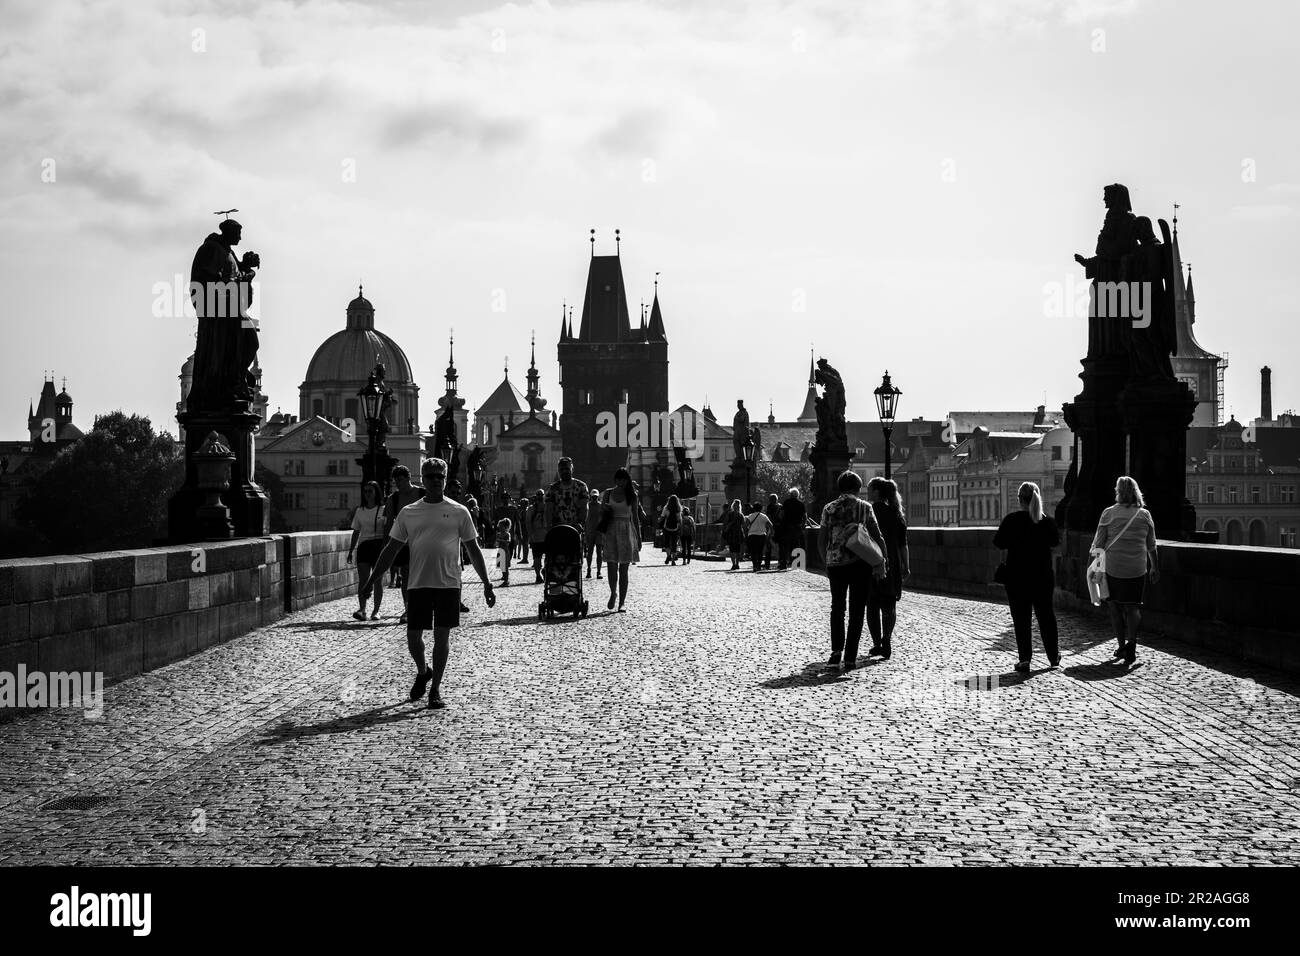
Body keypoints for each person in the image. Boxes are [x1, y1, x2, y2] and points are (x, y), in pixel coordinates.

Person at [362, 457, 496, 710]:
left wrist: (487, 583)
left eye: (439, 476)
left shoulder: (459, 511)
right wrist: (373, 579)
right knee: (413, 637)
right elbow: (391, 549)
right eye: (430, 476)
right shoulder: (409, 512)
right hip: (418, 582)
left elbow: (474, 550)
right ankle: (423, 671)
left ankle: (435, 689)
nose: (435, 480)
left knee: (441, 636)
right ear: (422, 479)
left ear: (445, 480)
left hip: (448, 583)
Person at [818, 470, 887, 672]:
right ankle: (850, 657)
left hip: (835, 564)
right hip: (860, 563)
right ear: (858, 488)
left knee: (837, 608)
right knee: (857, 611)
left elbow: (821, 539)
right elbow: (878, 536)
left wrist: (826, 562)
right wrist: (883, 561)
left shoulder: (828, 508)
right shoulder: (865, 507)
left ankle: (836, 652)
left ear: (840, 487)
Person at [1090, 475, 1159, 665]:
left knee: (1115, 608)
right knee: (1133, 607)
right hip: (1137, 568)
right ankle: (1132, 643)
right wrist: (1155, 567)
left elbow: (1099, 544)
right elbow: (1151, 545)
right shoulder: (1144, 515)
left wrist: (1096, 567)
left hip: (1114, 568)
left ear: (1119, 492)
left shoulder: (1108, 513)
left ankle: (1121, 645)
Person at [993, 481, 1060, 672]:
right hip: (1042, 577)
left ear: (1019, 500)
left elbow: (999, 544)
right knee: (1046, 616)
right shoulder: (1047, 522)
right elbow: (1055, 545)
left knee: (1021, 619)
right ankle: (1053, 657)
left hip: (1016, 577)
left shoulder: (1011, 520)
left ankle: (1025, 660)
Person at [866, 477, 910, 660]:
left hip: (870, 563)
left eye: (869, 489)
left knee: (872, 605)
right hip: (891, 566)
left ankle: (876, 643)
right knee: (889, 605)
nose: (867, 491)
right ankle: (887, 639)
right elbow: (903, 544)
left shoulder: (868, 511)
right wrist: (906, 566)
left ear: (876, 492)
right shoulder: (896, 513)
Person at [383, 465, 424, 625]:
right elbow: (388, 525)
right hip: (405, 544)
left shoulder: (422, 494)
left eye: (400, 480)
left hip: (423, 543)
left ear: (408, 478)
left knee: (422, 577)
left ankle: (420, 606)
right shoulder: (393, 499)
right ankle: (408, 609)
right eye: (396, 481)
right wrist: (386, 545)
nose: (397, 484)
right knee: (406, 576)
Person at [599, 467, 642, 611]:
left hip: (626, 530)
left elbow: (635, 517)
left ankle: (622, 602)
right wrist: (604, 510)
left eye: (623, 479)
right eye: (618, 479)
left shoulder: (632, 495)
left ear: (627, 480)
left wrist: (639, 537)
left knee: (624, 569)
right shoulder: (608, 493)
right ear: (615, 480)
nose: (620, 482)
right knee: (611, 566)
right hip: (611, 530)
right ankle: (613, 593)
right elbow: (601, 512)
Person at [346, 481, 385, 620]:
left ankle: (376, 611)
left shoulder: (383, 509)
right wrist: (351, 550)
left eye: (370, 491)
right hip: (364, 546)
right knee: (363, 580)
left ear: (376, 493)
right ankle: (362, 609)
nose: (367, 494)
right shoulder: (360, 510)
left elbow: (387, 530)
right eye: (366, 491)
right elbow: (356, 531)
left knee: (377, 580)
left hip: (378, 546)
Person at [545, 457, 591, 531]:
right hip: (557, 528)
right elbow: (548, 509)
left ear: (572, 470)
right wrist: (548, 525)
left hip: (575, 528)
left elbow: (584, 507)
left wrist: (580, 523)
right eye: (561, 470)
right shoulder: (552, 488)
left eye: (567, 469)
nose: (564, 471)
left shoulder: (581, 486)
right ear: (558, 471)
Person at [776, 488, 807, 570]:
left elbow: (781, 515)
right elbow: (805, 517)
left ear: (791, 494)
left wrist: (782, 522)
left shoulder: (786, 502)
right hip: (797, 527)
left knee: (785, 546)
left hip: (787, 526)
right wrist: (803, 525)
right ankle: (796, 564)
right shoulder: (801, 504)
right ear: (797, 495)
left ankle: (783, 564)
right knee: (796, 545)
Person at [744, 501, 774, 572]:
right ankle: (759, 565)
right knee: (760, 551)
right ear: (761, 508)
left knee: (753, 552)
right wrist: (770, 534)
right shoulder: (764, 516)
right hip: (762, 535)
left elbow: (745, 526)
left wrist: (746, 533)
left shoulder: (751, 515)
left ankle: (755, 565)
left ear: (754, 508)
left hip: (752, 535)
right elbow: (771, 526)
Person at [526, 490, 549, 584]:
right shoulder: (532, 508)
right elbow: (528, 523)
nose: (540, 496)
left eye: (541, 495)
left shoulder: (547, 507)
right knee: (537, 558)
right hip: (538, 536)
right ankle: (538, 575)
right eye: (538, 495)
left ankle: (543, 572)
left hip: (546, 536)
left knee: (547, 557)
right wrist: (531, 535)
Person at [583, 486, 604, 579]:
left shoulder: (601, 506)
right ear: (591, 497)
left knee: (599, 553)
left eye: (596, 497)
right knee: (590, 552)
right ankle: (589, 569)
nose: (594, 498)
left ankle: (599, 571)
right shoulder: (587, 506)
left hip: (599, 532)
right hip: (590, 532)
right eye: (593, 497)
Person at [721, 499, 745, 570]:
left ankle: (735, 564)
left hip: (733, 533)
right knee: (735, 549)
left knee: (734, 549)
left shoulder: (732, 514)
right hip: (736, 533)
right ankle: (735, 564)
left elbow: (725, 524)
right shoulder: (740, 515)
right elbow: (743, 525)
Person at [660, 494, 683, 565]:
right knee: (674, 544)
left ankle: (668, 555)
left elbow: (662, 517)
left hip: (667, 527)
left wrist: (660, 521)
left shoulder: (666, 508)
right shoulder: (678, 508)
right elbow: (679, 519)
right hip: (675, 528)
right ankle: (673, 560)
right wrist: (680, 527)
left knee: (667, 543)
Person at [762, 493, 782, 570]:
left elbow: (768, 518)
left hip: (771, 528)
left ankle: (767, 564)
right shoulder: (781, 507)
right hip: (779, 528)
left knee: (768, 546)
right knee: (780, 546)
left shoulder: (770, 507)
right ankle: (781, 562)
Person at [494, 517, 513, 587]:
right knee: (502, 566)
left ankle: (506, 580)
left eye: (502, 527)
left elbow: (508, 541)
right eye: (500, 526)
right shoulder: (499, 534)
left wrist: (501, 540)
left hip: (505, 551)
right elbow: (496, 543)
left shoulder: (507, 534)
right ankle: (504, 577)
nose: (500, 528)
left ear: (506, 527)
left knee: (505, 567)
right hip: (500, 551)